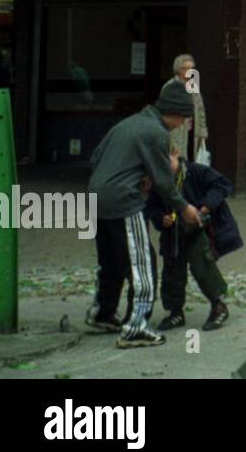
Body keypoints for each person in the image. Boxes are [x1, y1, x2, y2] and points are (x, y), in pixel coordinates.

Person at [85, 82, 202, 348]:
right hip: (123, 200)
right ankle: (136, 326)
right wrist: (185, 208)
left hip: (95, 198)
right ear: (175, 113)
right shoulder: (156, 133)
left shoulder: (128, 123)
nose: (182, 124)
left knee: (112, 260)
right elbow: (163, 181)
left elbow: (96, 158)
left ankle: (102, 313)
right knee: (142, 263)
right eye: (183, 119)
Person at [144, 150, 240, 332]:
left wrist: (205, 207)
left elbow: (222, 185)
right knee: (172, 272)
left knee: (202, 266)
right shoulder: (159, 181)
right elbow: (151, 206)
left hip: (197, 229)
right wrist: (160, 218)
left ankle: (218, 305)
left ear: (175, 154)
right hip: (172, 233)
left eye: (167, 162)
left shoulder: (196, 171)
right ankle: (175, 311)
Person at [164, 54, 208, 166]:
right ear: (178, 70)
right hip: (176, 130)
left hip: (193, 130)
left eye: (192, 69)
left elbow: (200, 110)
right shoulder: (170, 86)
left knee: (192, 158)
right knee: (177, 157)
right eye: (186, 69)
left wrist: (202, 130)